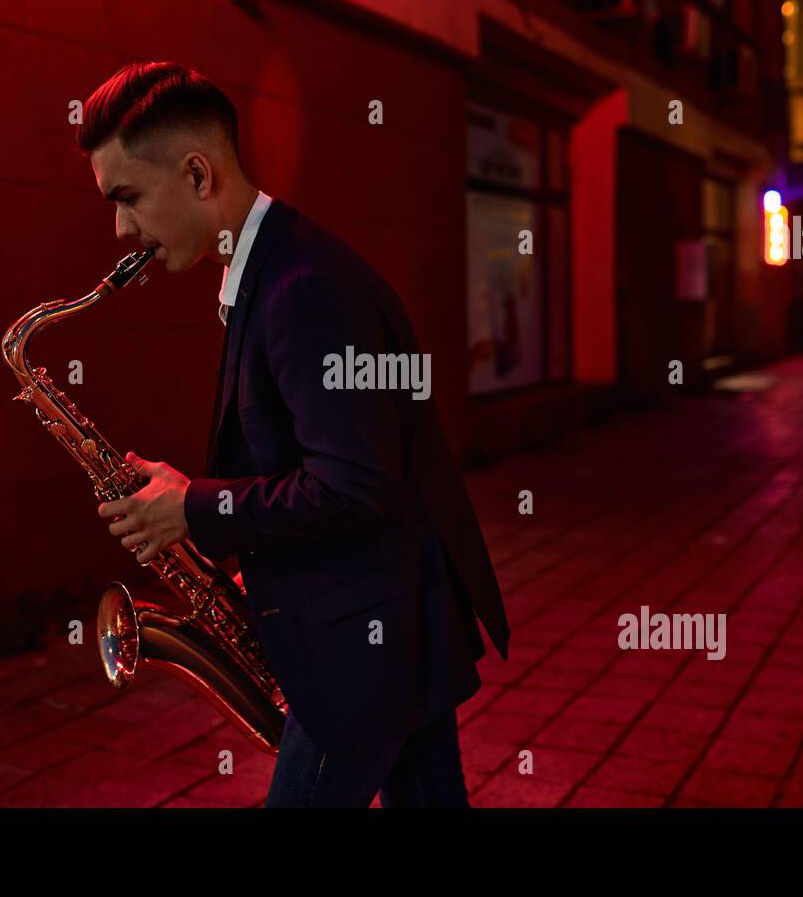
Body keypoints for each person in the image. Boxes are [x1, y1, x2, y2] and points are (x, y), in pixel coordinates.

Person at [80, 61, 509, 807]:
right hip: (389, 626)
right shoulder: (276, 269)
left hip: (365, 645)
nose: (120, 228)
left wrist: (196, 507)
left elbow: (355, 483)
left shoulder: (304, 289)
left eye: (128, 198)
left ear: (196, 173)